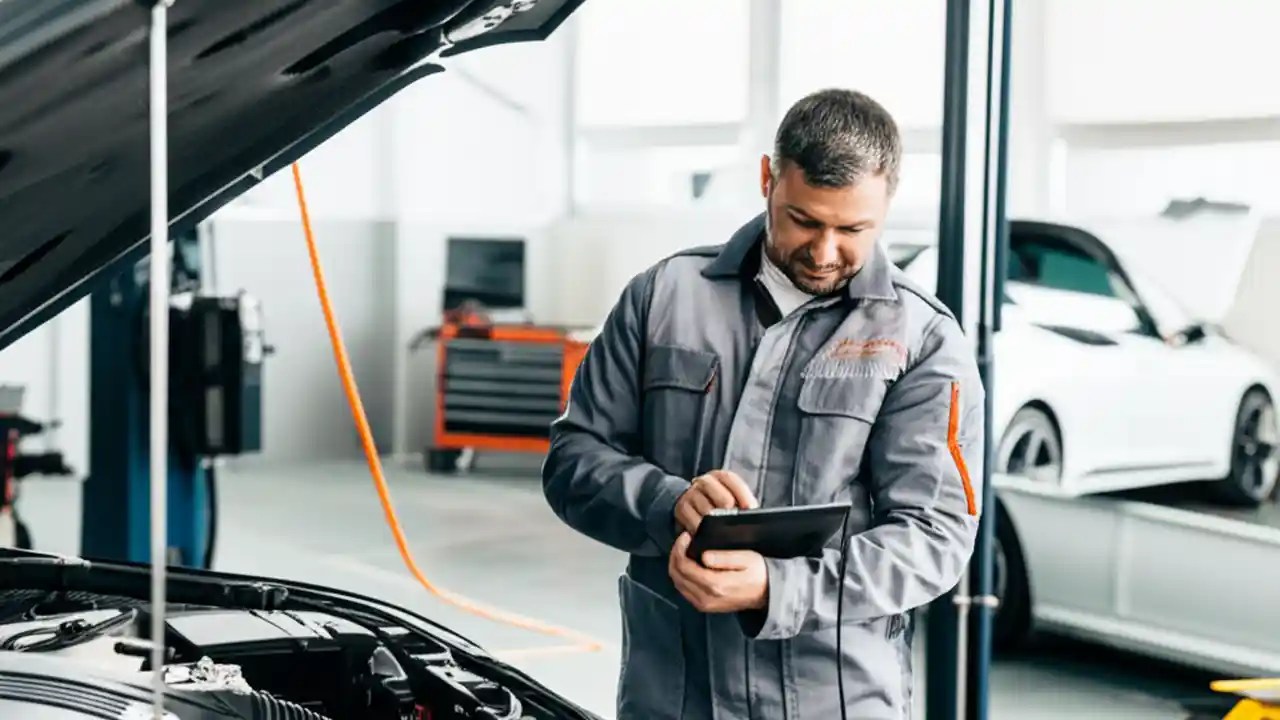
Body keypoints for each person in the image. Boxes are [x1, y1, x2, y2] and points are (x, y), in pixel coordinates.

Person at [541, 88, 985, 720]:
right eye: (805, 219)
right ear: (767, 178)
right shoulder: (662, 299)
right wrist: (669, 503)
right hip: (673, 694)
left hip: (834, 700)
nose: (826, 251)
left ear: (887, 203)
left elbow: (934, 537)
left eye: (853, 229)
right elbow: (574, 460)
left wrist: (779, 588)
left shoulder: (921, 338)